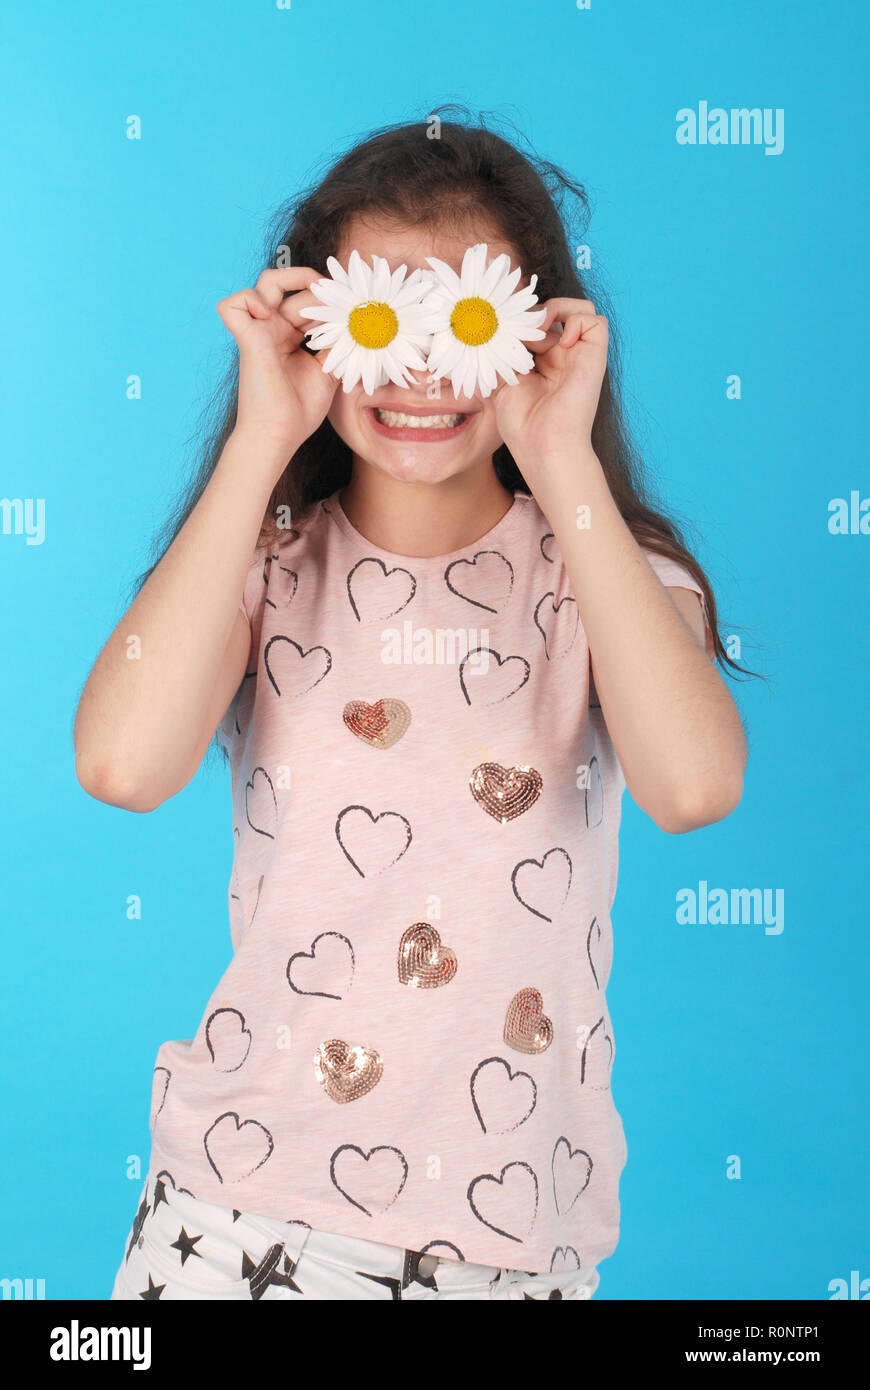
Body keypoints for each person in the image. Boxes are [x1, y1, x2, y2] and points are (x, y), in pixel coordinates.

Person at [74, 110, 751, 1301]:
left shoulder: (602, 577)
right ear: (313, 332)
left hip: (504, 1238)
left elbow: (693, 787)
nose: (421, 371)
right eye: (377, 322)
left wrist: (563, 459)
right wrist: (261, 438)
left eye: (465, 323)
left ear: (538, 338)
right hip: (234, 1216)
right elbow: (122, 765)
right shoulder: (264, 565)